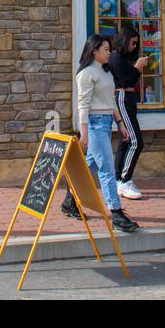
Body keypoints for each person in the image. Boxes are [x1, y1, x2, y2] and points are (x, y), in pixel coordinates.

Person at [63, 34, 139, 232]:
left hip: (106, 122)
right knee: (106, 168)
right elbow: (83, 105)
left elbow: (111, 101)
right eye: (105, 49)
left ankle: (70, 200)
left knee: (90, 166)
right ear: (94, 50)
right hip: (95, 124)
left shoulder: (106, 72)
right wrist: (84, 133)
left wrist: (120, 123)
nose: (109, 52)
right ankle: (116, 212)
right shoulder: (86, 73)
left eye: (109, 48)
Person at [109, 24, 149, 200]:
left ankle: (118, 179)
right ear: (124, 41)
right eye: (132, 43)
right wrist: (137, 68)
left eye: (136, 43)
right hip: (123, 98)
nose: (134, 46)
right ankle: (125, 180)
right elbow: (126, 82)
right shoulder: (116, 58)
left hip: (128, 99)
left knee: (125, 141)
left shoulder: (123, 59)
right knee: (135, 141)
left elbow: (130, 80)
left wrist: (136, 69)